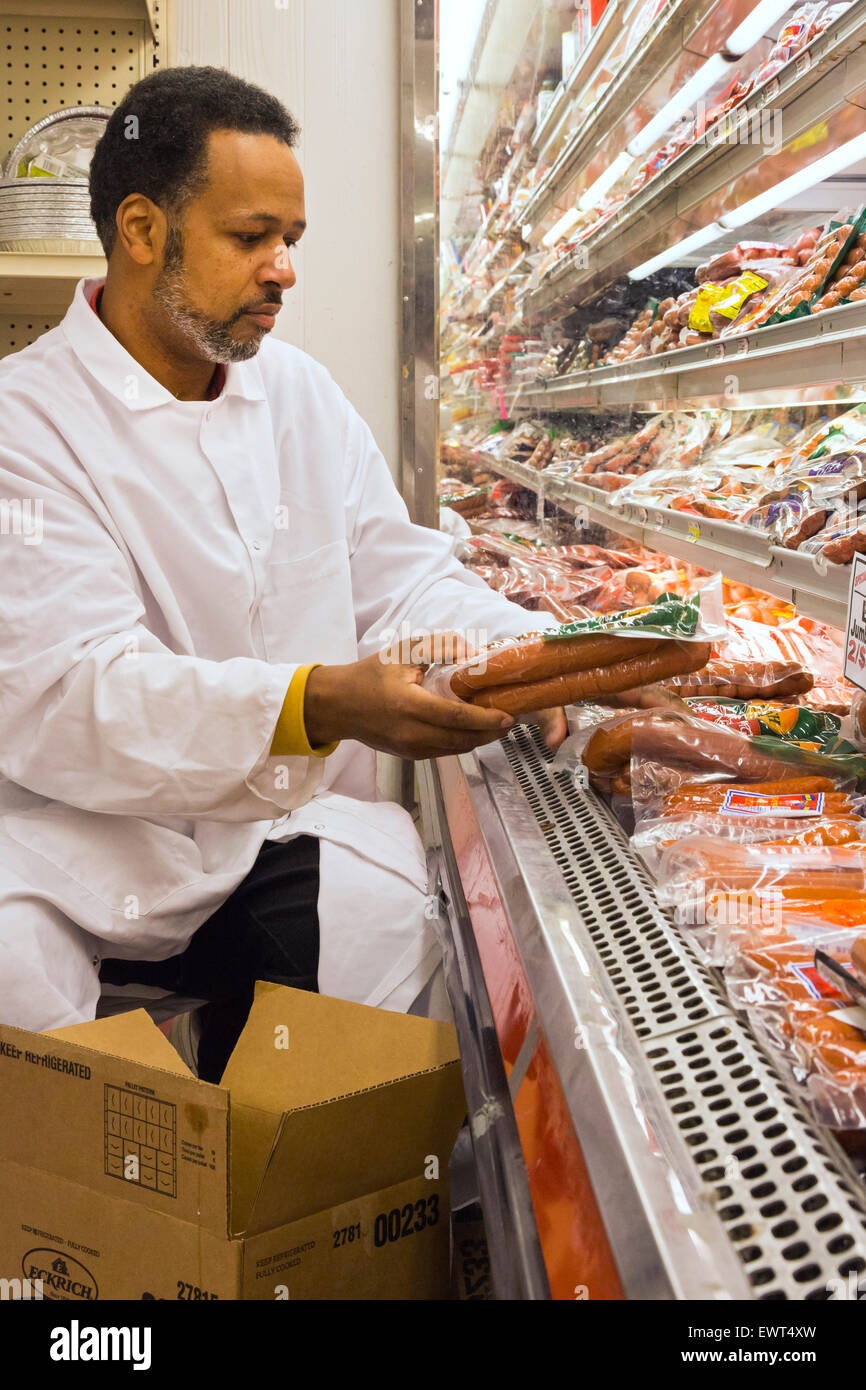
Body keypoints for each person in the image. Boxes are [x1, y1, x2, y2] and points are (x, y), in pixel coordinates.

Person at [0, 66, 565, 1080]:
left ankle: (306, 1218)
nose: (282, 271)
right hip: (83, 839)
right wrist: (316, 703)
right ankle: (109, 1220)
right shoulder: (25, 423)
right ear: (141, 230)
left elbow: (398, 581)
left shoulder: (296, 395)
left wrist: (522, 652)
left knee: (389, 947)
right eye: (250, 237)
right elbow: (72, 691)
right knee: (21, 990)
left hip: (274, 824)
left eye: (290, 242)